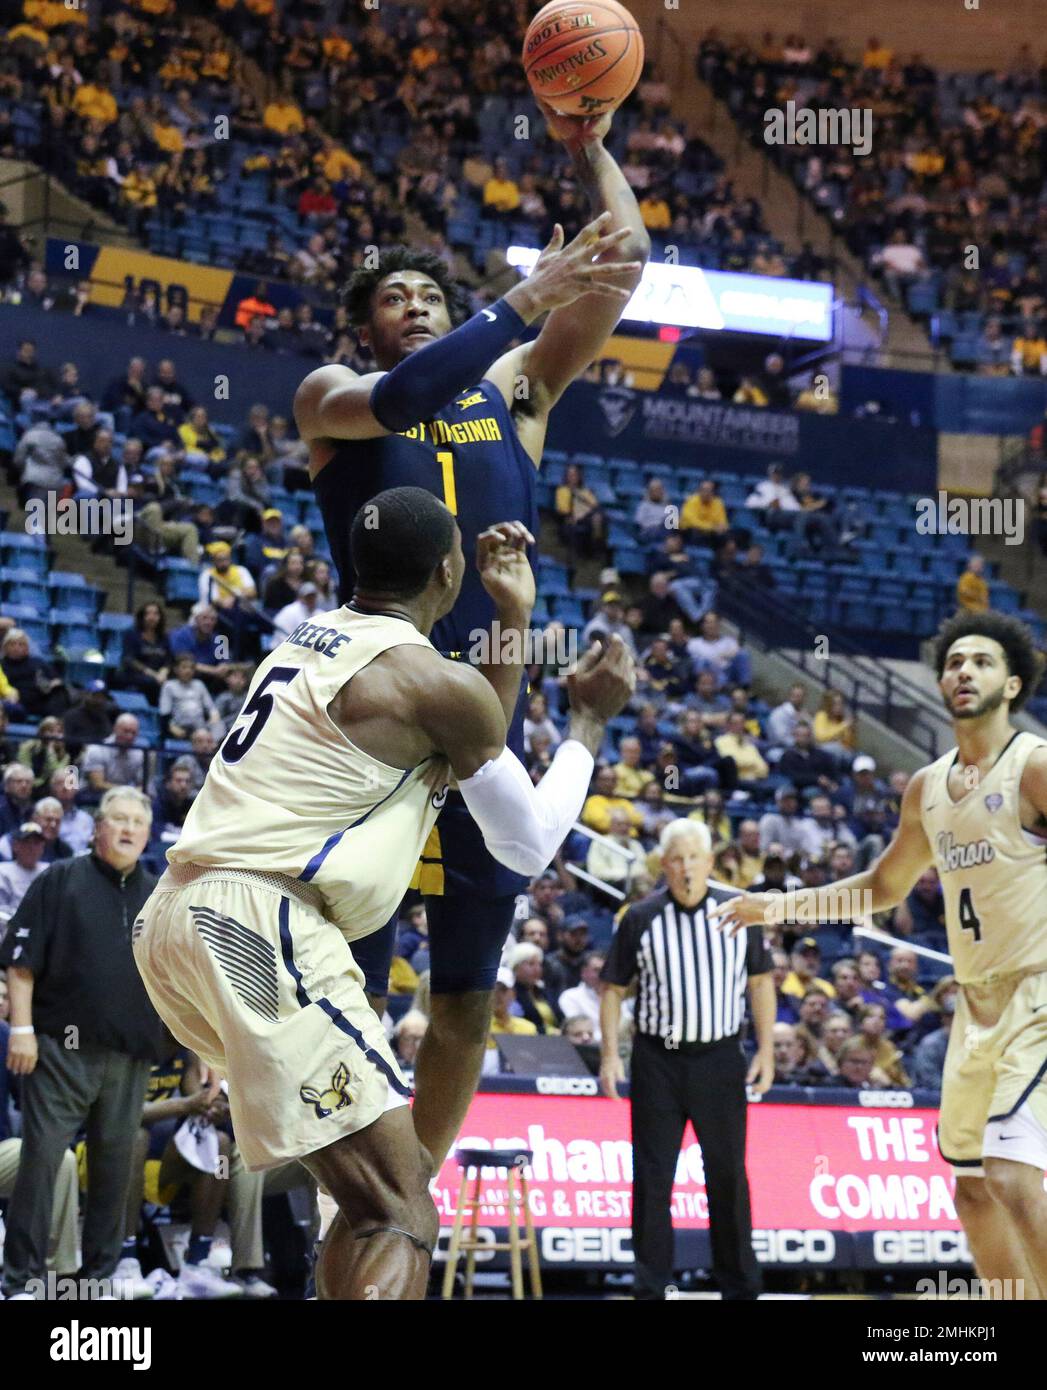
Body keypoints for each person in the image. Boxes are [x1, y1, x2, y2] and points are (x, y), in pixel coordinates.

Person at [132, 487, 634, 1301]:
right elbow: (527, 840)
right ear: (447, 570)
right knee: (403, 1209)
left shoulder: (305, 643)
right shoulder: (424, 682)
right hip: (260, 926)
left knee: (361, 1202)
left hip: (177, 918)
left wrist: (511, 623)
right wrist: (586, 725)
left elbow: (470, 740)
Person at [293, 102, 649, 1173]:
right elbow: (406, 395)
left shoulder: (517, 390)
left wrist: (590, 144)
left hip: (489, 717)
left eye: (429, 295)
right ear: (366, 322)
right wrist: (517, 298)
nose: (415, 305)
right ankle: (333, 1197)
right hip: (372, 730)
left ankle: (414, 1195)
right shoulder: (334, 395)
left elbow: (624, 261)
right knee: (343, 987)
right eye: (395, 297)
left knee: (465, 998)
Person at [712, 610, 1047, 1298]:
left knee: (1012, 1175)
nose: (962, 672)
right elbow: (879, 887)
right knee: (973, 1190)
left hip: (1038, 993)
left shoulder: (1034, 766)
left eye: (980, 662)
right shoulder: (925, 786)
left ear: (1012, 684)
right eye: (954, 662)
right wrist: (779, 906)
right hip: (974, 1006)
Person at [0, 788, 166, 1300]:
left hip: (131, 1057)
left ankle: (98, 1279)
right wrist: (23, 1030)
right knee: (42, 1161)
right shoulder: (59, 880)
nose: (129, 828)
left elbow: (181, 979)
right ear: (97, 827)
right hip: (59, 1051)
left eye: (139, 821)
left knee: (116, 1170)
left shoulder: (160, 895)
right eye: (118, 818)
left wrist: (205, 1052)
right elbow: (21, 962)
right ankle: (21, 1280)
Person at [600, 820, 774, 1300]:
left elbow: (761, 982)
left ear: (711, 862)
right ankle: (651, 1286)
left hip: (720, 1059)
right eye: (676, 859)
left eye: (694, 857)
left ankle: (740, 1286)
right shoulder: (640, 917)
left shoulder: (741, 913)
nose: (685, 868)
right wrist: (611, 1055)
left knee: (728, 1175)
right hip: (658, 1061)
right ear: (663, 865)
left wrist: (767, 1049)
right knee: (653, 1176)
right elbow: (612, 989)